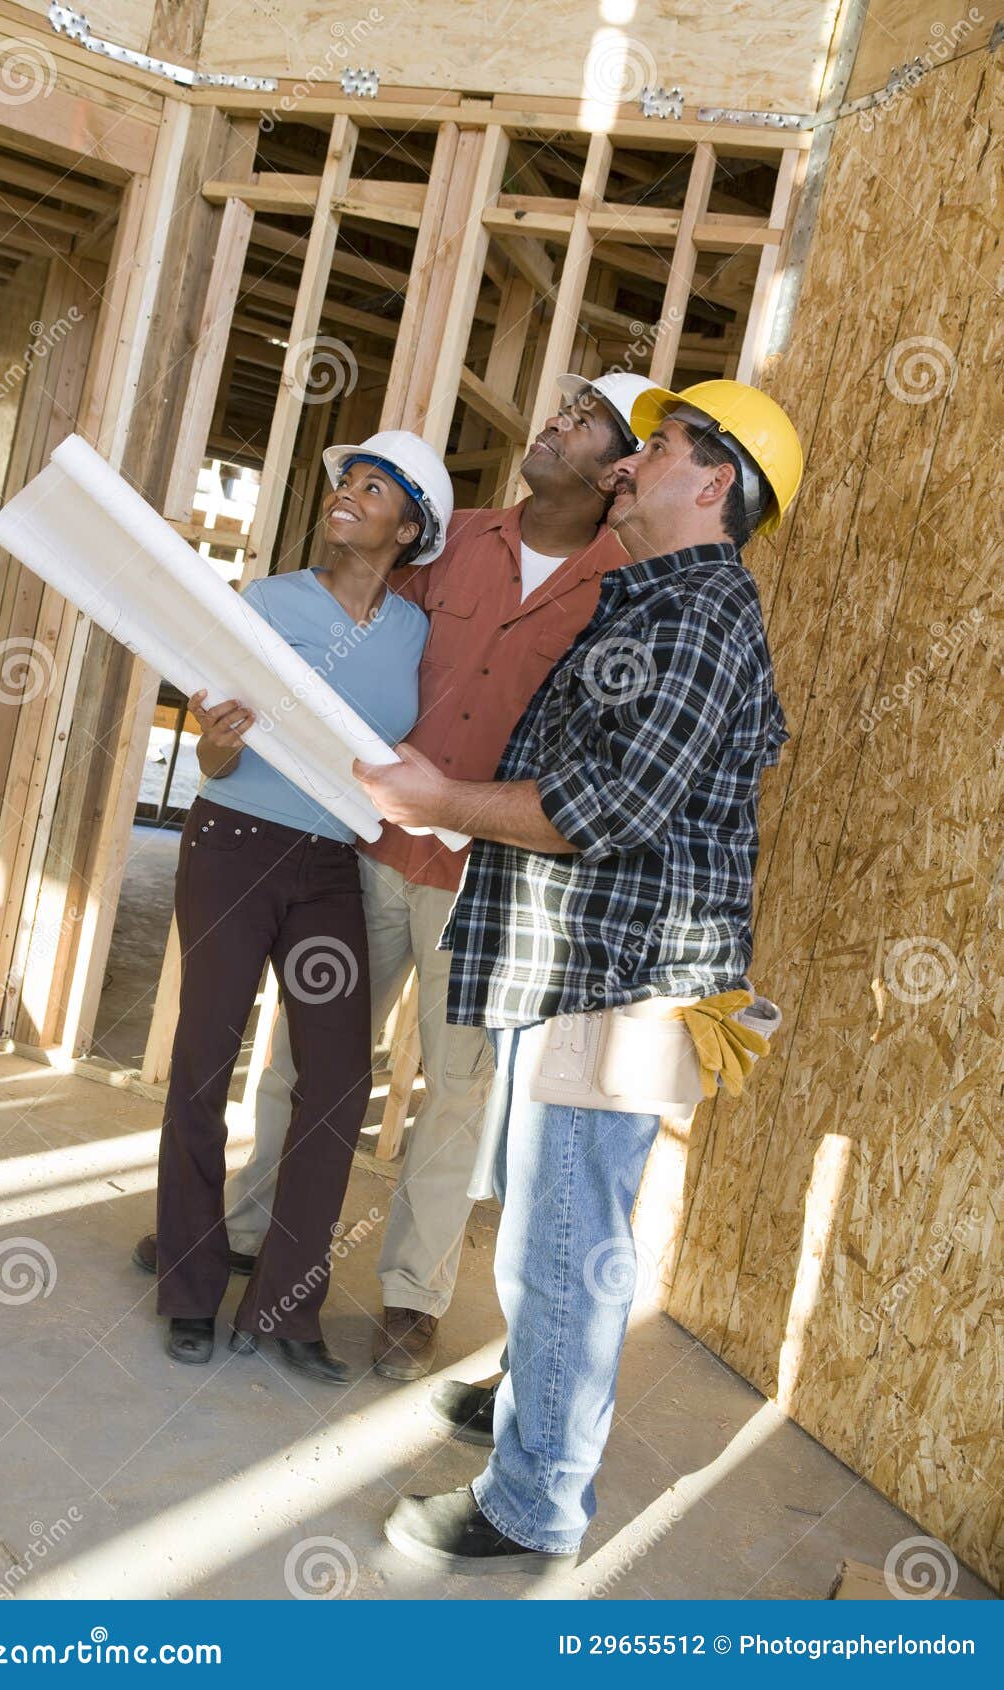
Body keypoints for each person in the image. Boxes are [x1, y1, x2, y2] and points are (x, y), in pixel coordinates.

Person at [354, 380, 804, 1571]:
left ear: (713, 483)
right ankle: (531, 1404)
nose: (625, 462)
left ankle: (535, 1499)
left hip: (619, 979)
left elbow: (612, 804)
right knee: (547, 1225)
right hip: (578, 969)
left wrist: (441, 802)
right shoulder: (652, 599)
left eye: (655, 447)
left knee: (559, 1240)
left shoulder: (696, 615)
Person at [134, 373, 651, 1383]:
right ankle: (240, 1234)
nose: (555, 420)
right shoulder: (457, 544)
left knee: (456, 1087)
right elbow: (358, 652)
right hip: (365, 848)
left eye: (584, 422)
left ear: (616, 469)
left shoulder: (615, 586)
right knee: (309, 1063)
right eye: (564, 406)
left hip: (487, 874)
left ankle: (411, 1293)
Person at [143, 431, 452, 1382]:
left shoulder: (413, 630)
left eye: (372, 488)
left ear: (408, 528)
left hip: (330, 864)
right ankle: (191, 1290)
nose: (346, 496)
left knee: (337, 1083)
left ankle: (285, 1306)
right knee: (204, 1059)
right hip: (232, 842)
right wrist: (216, 735)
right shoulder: (266, 603)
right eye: (343, 485)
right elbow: (216, 760)